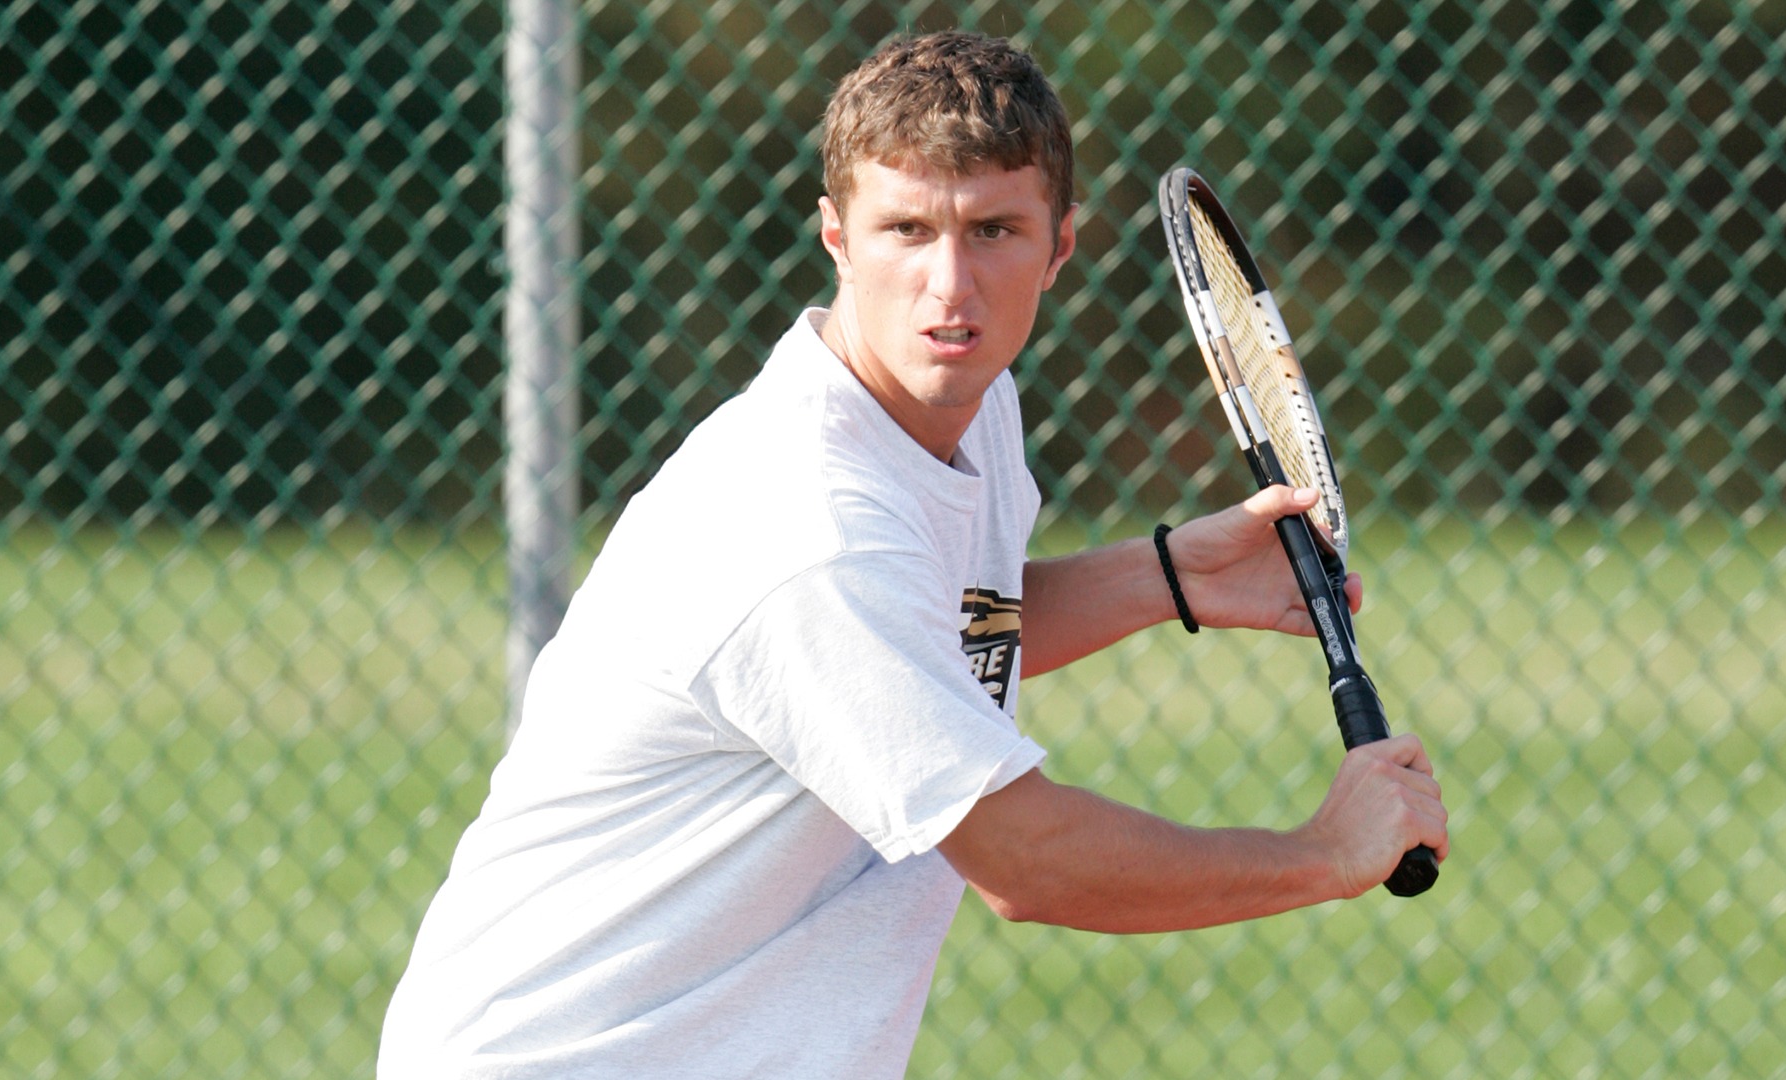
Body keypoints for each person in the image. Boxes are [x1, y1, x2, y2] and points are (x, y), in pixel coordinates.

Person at [378, 29, 1448, 1080]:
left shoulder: (963, 410)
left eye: (992, 231)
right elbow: (1027, 863)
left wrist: (1166, 576)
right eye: (905, 231)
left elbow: (940, 627)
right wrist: (1322, 855)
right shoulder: (805, 528)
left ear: (1060, 244)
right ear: (836, 238)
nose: (950, 287)